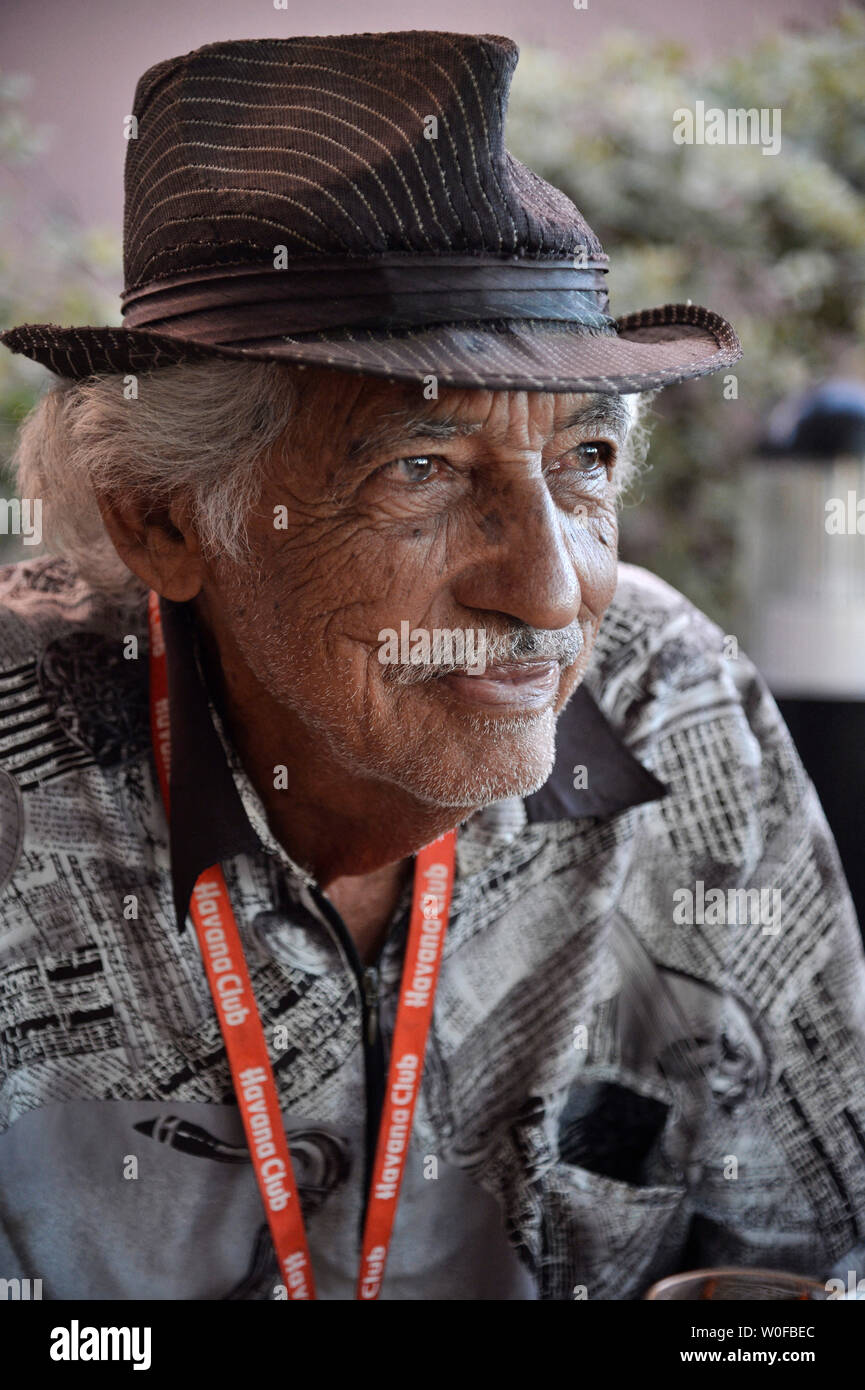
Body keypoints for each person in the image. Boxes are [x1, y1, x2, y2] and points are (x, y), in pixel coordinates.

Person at [0, 30, 863, 1302]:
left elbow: (822, 1253)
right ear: (162, 520)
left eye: (586, 464)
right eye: (421, 470)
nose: (551, 589)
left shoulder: (671, 696)